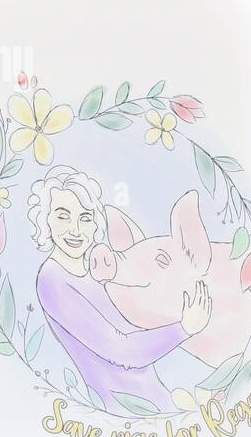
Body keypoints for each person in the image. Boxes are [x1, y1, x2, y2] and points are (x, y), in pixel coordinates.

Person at [28, 166, 210, 415]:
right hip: (122, 409)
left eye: (85, 217)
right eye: (62, 216)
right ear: (44, 219)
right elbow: (119, 349)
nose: (75, 229)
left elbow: (137, 320)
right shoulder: (53, 281)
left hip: (153, 397)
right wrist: (183, 329)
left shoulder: (95, 270)